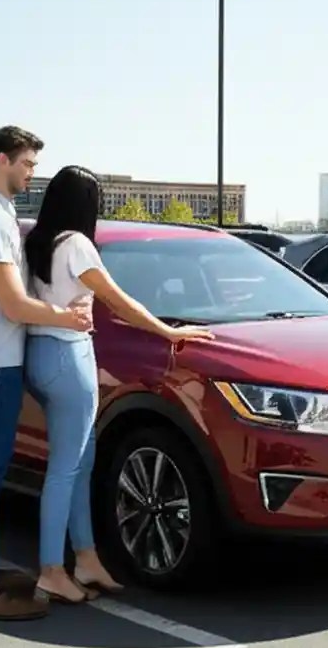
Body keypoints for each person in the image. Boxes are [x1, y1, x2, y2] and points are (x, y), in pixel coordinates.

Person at [22, 165, 211, 604]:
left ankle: (86, 560)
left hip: (39, 355)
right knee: (66, 468)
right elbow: (118, 301)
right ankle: (52, 569)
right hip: (69, 358)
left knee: (79, 462)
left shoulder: (37, 242)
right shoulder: (77, 245)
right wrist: (168, 332)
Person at [0, 126, 94, 621]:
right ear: (2, 160)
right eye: (27, 163)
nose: (32, 173)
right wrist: (67, 318)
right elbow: (11, 302)